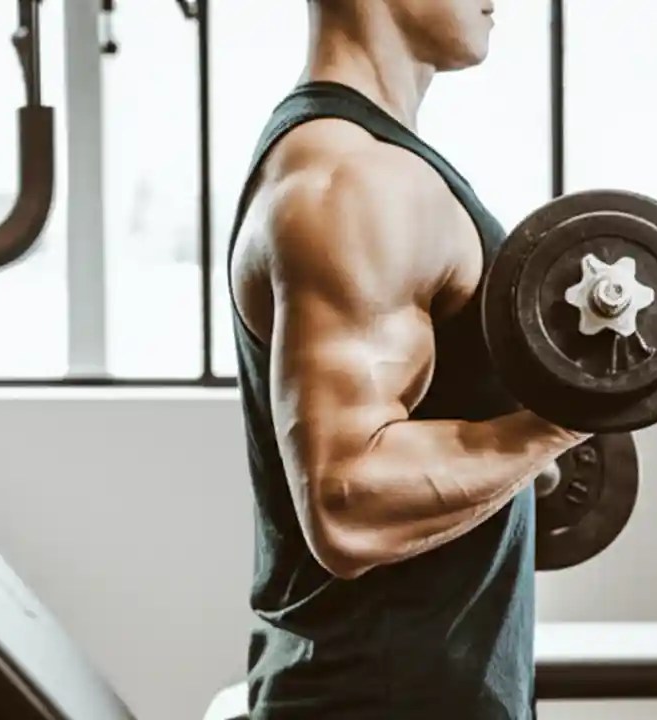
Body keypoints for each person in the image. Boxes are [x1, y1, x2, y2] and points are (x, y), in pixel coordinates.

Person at [226, 1, 588, 717]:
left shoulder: (371, 167)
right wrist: (565, 418)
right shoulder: (354, 184)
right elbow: (349, 500)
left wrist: (532, 455)